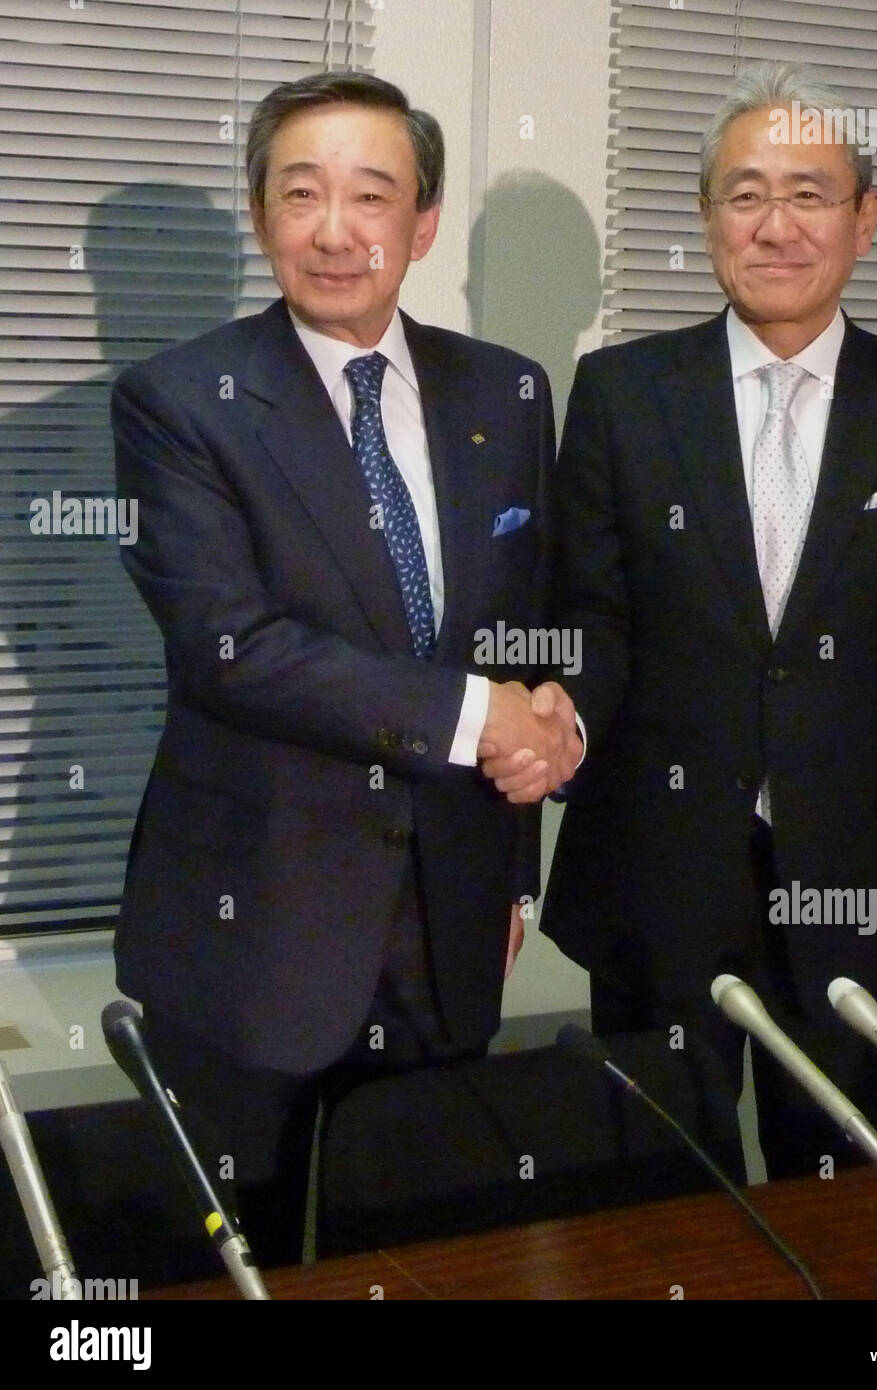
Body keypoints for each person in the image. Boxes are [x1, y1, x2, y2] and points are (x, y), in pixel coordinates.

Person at [110, 70, 581, 1264]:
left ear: (420, 222)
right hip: (250, 928)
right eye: (300, 193)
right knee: (228, 1264)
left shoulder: (507, 391)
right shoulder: (180, 402)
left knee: (424, 1247)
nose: (334, 229)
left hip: (453, 915)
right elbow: (233, 648)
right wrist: (484, 717)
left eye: (370, 196)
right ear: (263, 214)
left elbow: (521, 634)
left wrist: (521, 837)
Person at [536, 60, 877, 1181]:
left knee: (838, 1199)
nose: (774, 225)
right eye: (744, 194)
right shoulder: (617, 391)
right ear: (706, 220)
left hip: (855, 886)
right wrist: (548, 725)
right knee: (655, 1197)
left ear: (863, 219)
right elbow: (587, 620)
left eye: (808, 192)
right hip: (656, 876)